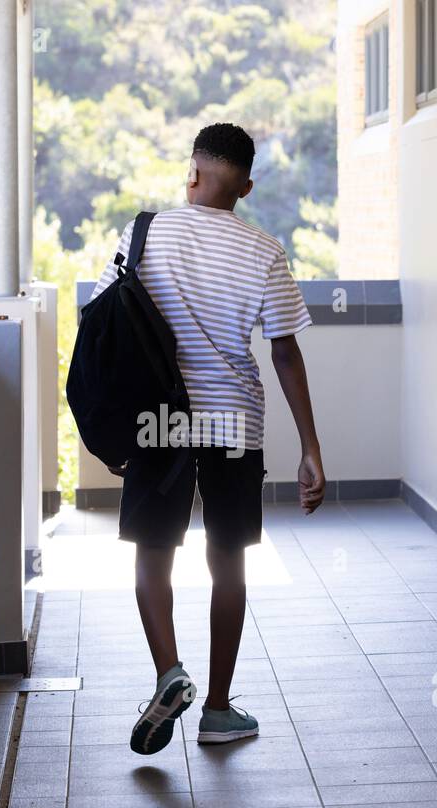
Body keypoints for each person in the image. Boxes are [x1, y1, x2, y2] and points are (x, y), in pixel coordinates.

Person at [90, 122, 325, 756]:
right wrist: (310, 447)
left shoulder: (145, 233)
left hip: (158, 420)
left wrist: (111, 426)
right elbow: (285, 353)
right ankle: (218, 711)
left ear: (192, 173)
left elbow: (106, 325)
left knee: (153, 553)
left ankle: (170, 672)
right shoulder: (265, 250)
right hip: (234, 423)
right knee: (229, 562)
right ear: (245, 187)